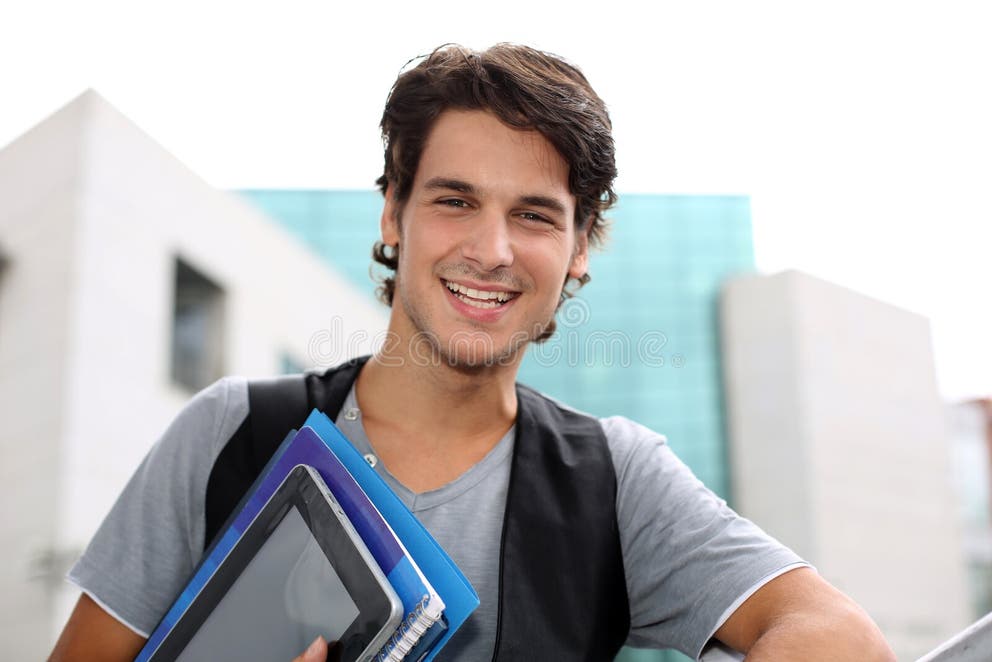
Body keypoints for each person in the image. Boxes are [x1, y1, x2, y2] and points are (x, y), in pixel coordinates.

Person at [50, 44, 895, 661]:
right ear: (394, 214)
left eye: (533, 215)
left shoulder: (615, 480)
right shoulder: (231, 434)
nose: (492, 251)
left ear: (580, 247)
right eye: (455, 201)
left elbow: (841, 638)